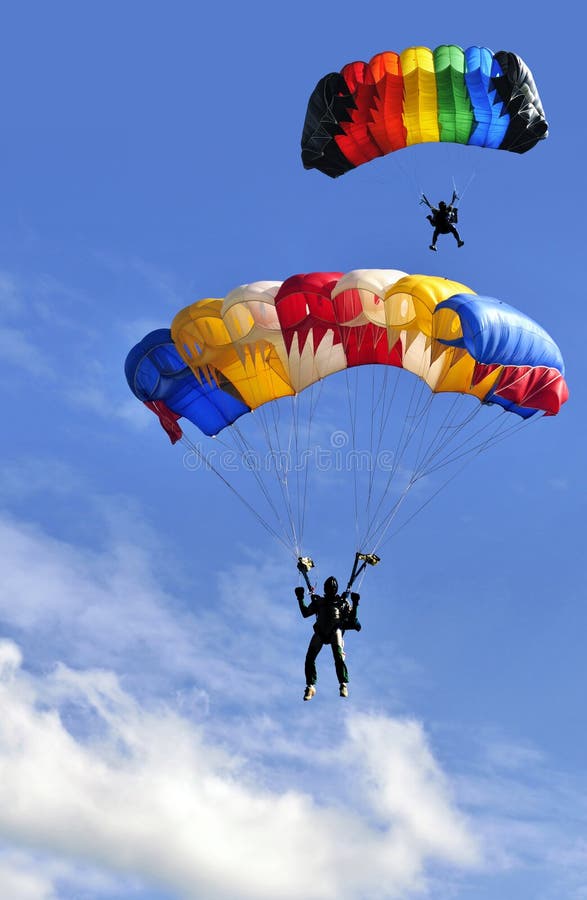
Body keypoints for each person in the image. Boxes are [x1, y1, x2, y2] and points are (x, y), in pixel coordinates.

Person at [295, 575, 361, 701]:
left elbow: (352, 619)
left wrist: (355, 604)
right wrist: (300, 598)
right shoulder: (319, 601)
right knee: (309, 658)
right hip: (320, 631)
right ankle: (310, 686)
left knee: (338, 656)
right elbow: (305, 613)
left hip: (335, 630)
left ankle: (343, 684)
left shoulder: (342, 602)